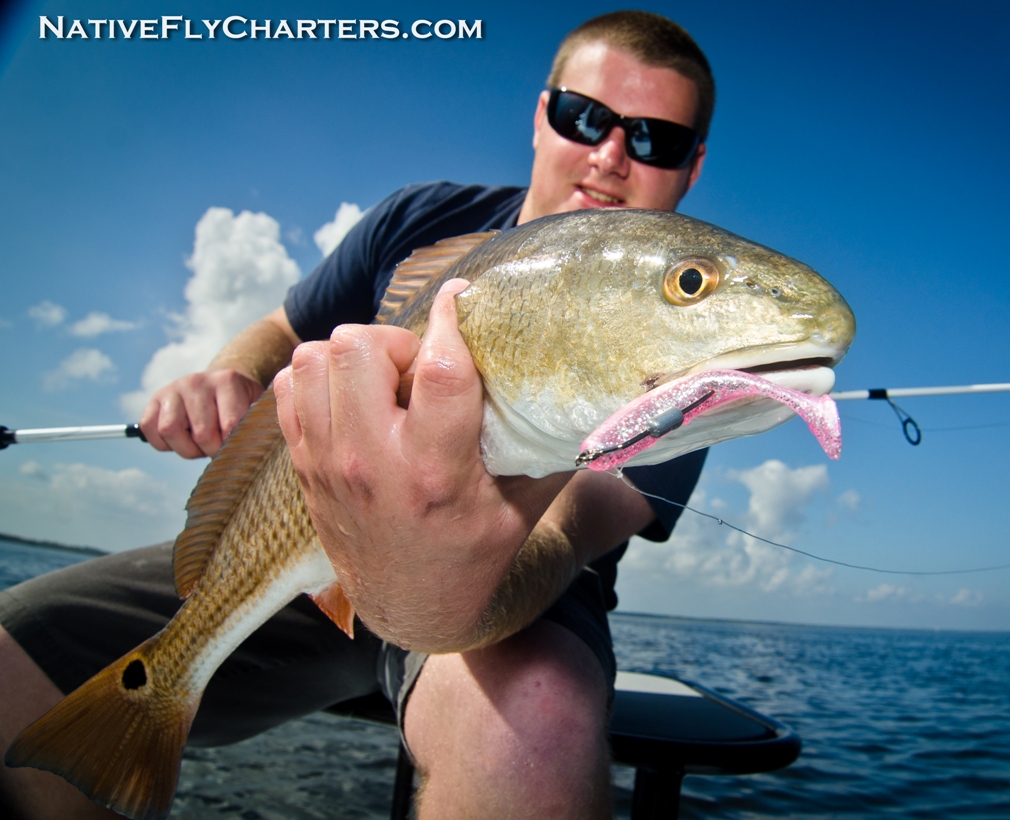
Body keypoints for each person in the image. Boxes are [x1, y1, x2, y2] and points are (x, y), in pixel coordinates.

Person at [0, 11, 714, 819]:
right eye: (584, 118)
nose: (610, 154)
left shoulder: (697, 338)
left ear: (690, 168)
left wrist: (433, 586)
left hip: (512, 587)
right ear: (540, 114)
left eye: (653, 139)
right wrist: (232, 373)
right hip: (301, 559)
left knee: (536, 727)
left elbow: (570, 529)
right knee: (12, 646)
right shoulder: (420, 219)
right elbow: (284, 328)